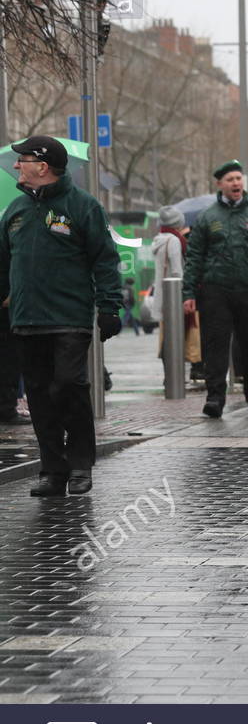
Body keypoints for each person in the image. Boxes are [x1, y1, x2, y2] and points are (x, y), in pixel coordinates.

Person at [0, 135, 122, 496]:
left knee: (68, 385)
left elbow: (105, 258)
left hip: (69, 316)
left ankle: (81, 464)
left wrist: (110, 306)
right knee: (38, 394)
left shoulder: (83, 206)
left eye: (22, 160)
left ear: (42, 165)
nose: (16, 166)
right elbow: (2, 261)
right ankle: (53, 469)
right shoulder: (16, 210)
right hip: (25, 319)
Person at [182, 160, 248, 418]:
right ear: (220, 185)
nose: (236, 183)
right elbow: (194, 256)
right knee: (215, 345)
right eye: (230, 180)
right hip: (214, 291)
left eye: (238, 179)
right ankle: (215, 398)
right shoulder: (208, 217)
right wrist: (189, 293)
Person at [152, 205, 202, 382]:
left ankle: (171, 374)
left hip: (164, 295)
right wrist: (185, 293)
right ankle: (172, 375)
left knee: (169, 335)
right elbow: (176, 270)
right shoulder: (174, 240)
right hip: (174, 296)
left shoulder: (160, 238)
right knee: (175, 336)